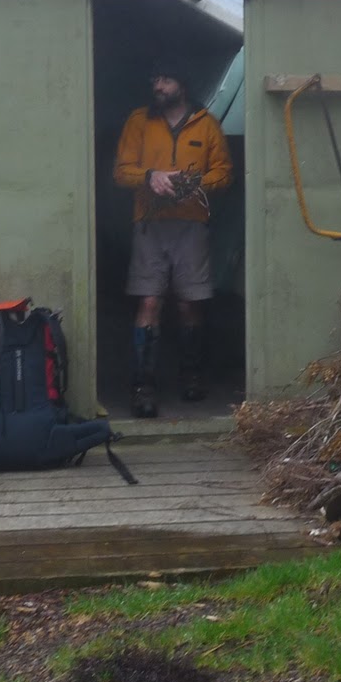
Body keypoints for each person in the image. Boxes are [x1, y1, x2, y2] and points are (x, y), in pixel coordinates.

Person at [111, 56, 233, 417]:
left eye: (165, 80)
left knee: (189, 303)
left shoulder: (207, 124)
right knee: (149, 302)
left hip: (192, 225)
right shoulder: (139, 121)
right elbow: (121, 172)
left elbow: (224, 173)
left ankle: (192, 376)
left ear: (183, 84)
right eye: (155, 80)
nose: (158, 87)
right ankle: (142, 384)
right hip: (149, 224)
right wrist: (150, 176)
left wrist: (193, 184)